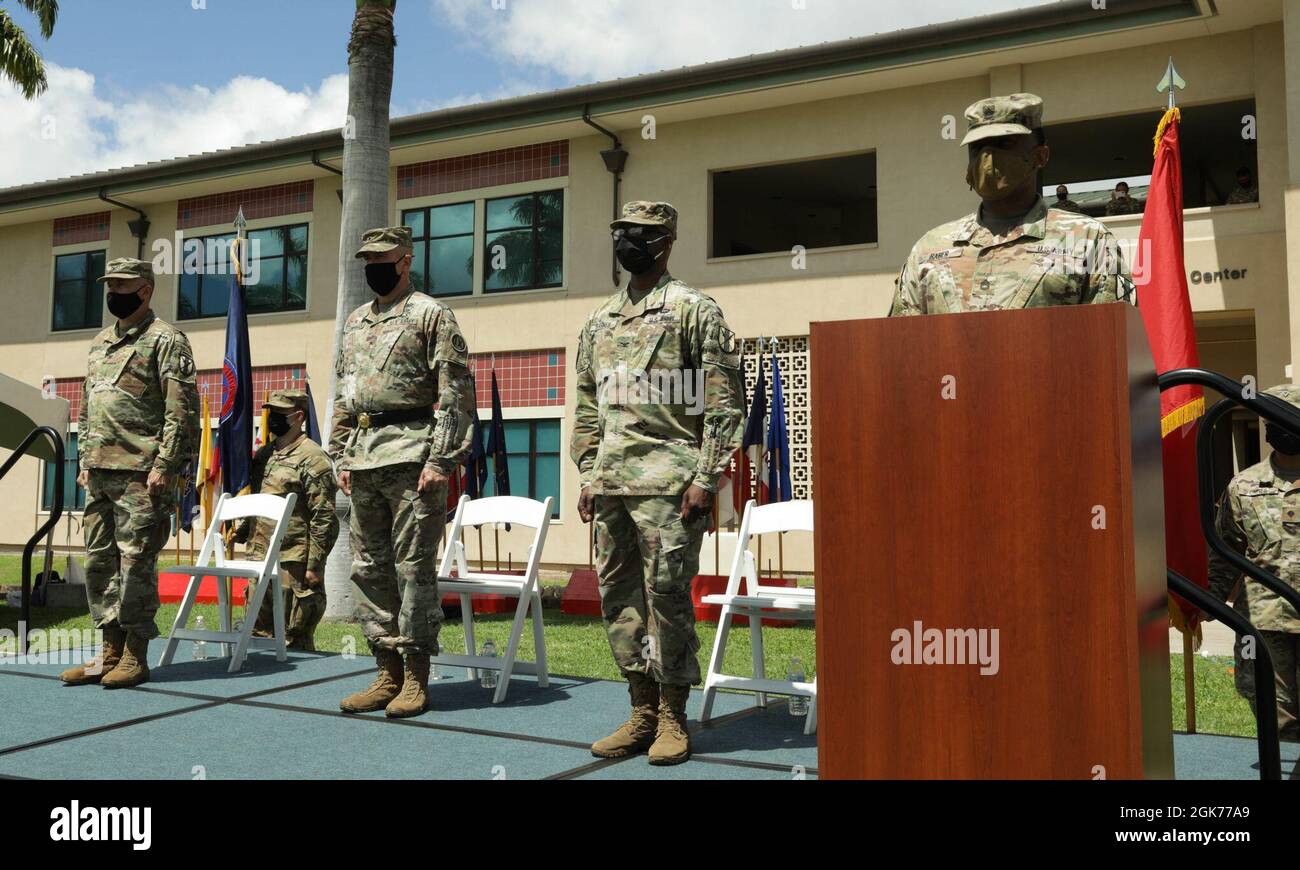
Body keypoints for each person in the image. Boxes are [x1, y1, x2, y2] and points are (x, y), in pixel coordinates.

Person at [572, 201, 745, 765]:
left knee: (666, 600)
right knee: (619, 598)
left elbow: (722, 404)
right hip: (613, 487)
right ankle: (641, 709)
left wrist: (706, 476)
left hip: (672, 484)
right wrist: (589, 471)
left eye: (640, 235)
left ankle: (673, 714)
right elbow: (587, 404)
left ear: (665, 241)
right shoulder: (599, 320)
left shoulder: (695, 311)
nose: (628, 242)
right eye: (621, 232)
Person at [330, 226, 476, 719]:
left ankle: (415, 677)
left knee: (412, 569)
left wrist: (441, 459)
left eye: (383, 257)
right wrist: (340, 455)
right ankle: (385, 671)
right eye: (367, 258)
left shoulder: (431, 314)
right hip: (364, 456)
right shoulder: (354, 323)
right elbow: (344, 393)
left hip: (412, 455)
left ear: (406, 259)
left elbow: (455, 393)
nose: (374, 265)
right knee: (369, 569)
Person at [60, 258, 199, 688]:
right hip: (100, 472)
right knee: (99, 562)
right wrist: (84, 460)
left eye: (122, 285)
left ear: (145, 291)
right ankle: (109, 651)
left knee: (136, 563)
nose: (112, 292)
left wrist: (165, 466)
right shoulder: (101, 342)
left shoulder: (166, 341)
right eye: (109, 285)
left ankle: (135, 655)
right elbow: (87, 405)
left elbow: (182, 412)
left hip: (142, 473)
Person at [889, 93, 1135, 316]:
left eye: (1004, 144)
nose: (988, 158)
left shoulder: (1088, 240)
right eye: (977, 148)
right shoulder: (929, 249)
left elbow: (1113, 342)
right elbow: (901, 346)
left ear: (1041, 155)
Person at [1209, 383, 1300, 739]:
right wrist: (1208, 602)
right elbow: (1224, 551)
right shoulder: (1244, 485)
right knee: (1273, 717)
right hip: (1264, 623)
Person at [238, 389, 338, 651]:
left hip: (293, 560)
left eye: (279, 414)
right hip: (260, 556)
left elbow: (324, 516)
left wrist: (315, 564)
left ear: (298, 417)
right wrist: (244, 529)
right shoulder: (264, 455)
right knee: (257, 637)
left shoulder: (313, 458)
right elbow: (260, 496)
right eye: (270, 412)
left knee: (293, 640)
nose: (272, 419)